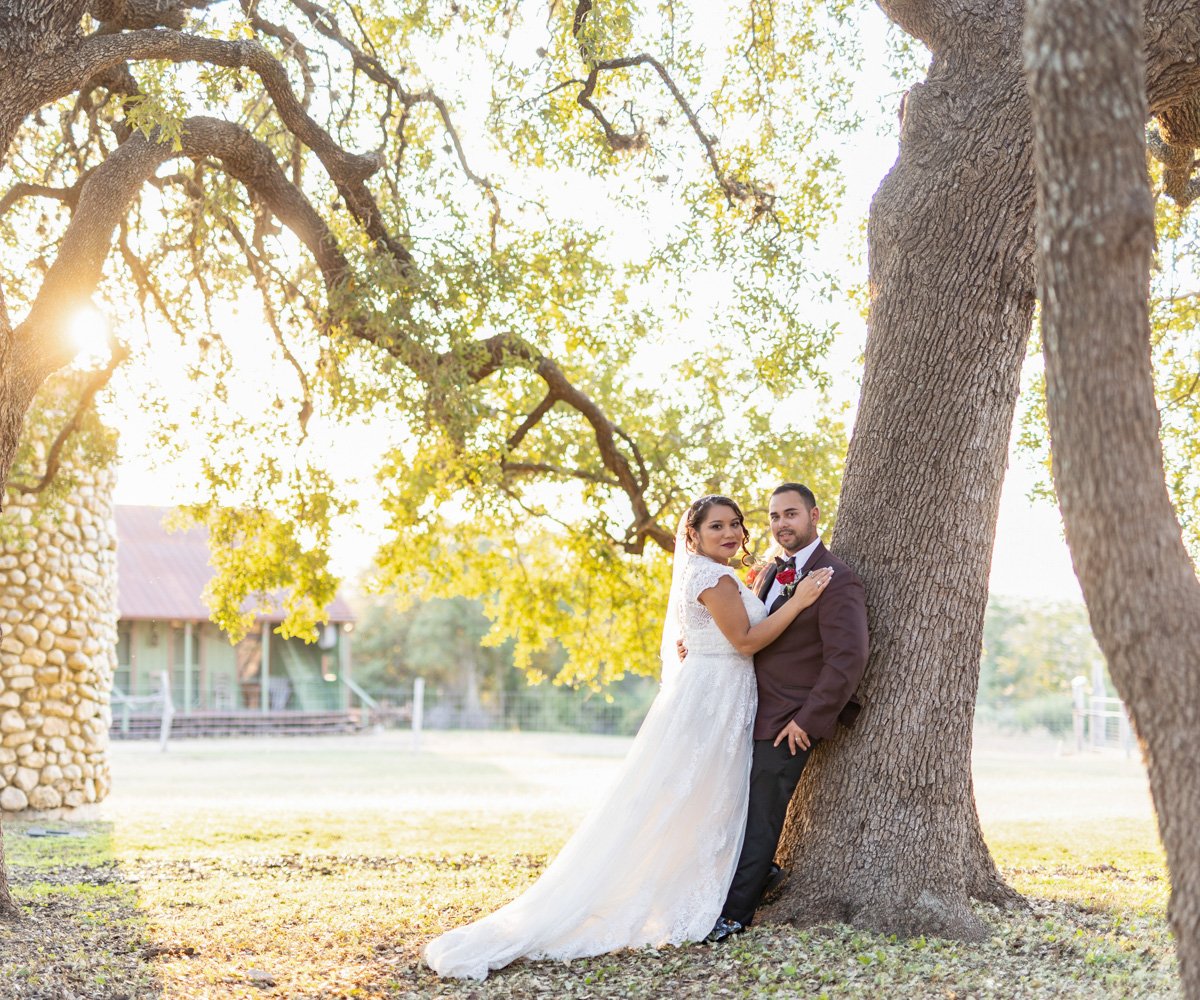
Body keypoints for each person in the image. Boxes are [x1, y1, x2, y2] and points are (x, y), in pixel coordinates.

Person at [422, 494, 833, 980]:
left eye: (736, 525)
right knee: (697, 795)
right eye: (717, 526)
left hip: (719, 692)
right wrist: (802, 600)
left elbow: (722, 633)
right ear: (694, 536)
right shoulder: (715, 577)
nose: (730, 533)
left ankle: (711, 881)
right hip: (714, 699)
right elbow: (744, 641)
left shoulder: (716, 575)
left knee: (707, 797)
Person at [705, 482, 869, 942]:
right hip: (747, 711)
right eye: (775, 516)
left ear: (814, 516)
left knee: (762, 817)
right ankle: (764, 874)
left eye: (791, 514)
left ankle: (735, 916)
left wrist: (809, 721)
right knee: (732, 808)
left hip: (787, 723)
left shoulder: (836, 578)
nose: (782, 524)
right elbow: (752, 633)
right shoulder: (769, 573)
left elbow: (847, 660)